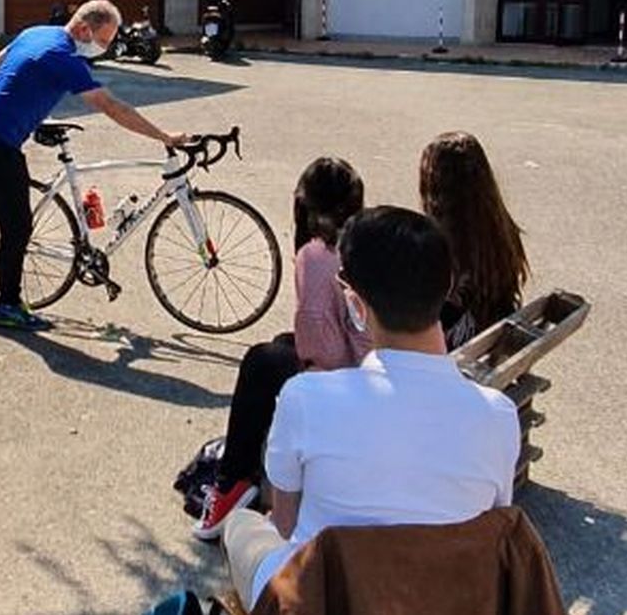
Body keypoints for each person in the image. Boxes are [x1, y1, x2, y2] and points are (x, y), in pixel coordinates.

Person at [222, 207, 521, 610]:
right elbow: (492, 525)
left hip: (329, 600)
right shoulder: (498, 416)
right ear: (447, 284)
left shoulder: (305, 398)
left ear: (356, 304)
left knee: (242, 524)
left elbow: (287, 523)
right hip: (444, 599)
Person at [0, 0, 186, 330]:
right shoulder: (66, 59)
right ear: (84, 29)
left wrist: (25, 98)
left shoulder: (36, 33)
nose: (105, 48)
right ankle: (9, 305)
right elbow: (112, 107)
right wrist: (164, 136)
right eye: (103, 40)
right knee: (17, 227)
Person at [194, 158, 370, 540]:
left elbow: (321, 350)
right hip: (376, 365)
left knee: (261, 361)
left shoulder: (317, 254)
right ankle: (243, 470)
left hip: (351, 381)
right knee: (278, 348)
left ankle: (232, 481)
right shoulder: (366, 240)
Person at [420, 131, 530, 349]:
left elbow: (432, 321)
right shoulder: (499, 226)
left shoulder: (441, 242)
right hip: (489, 337)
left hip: (455, 348)